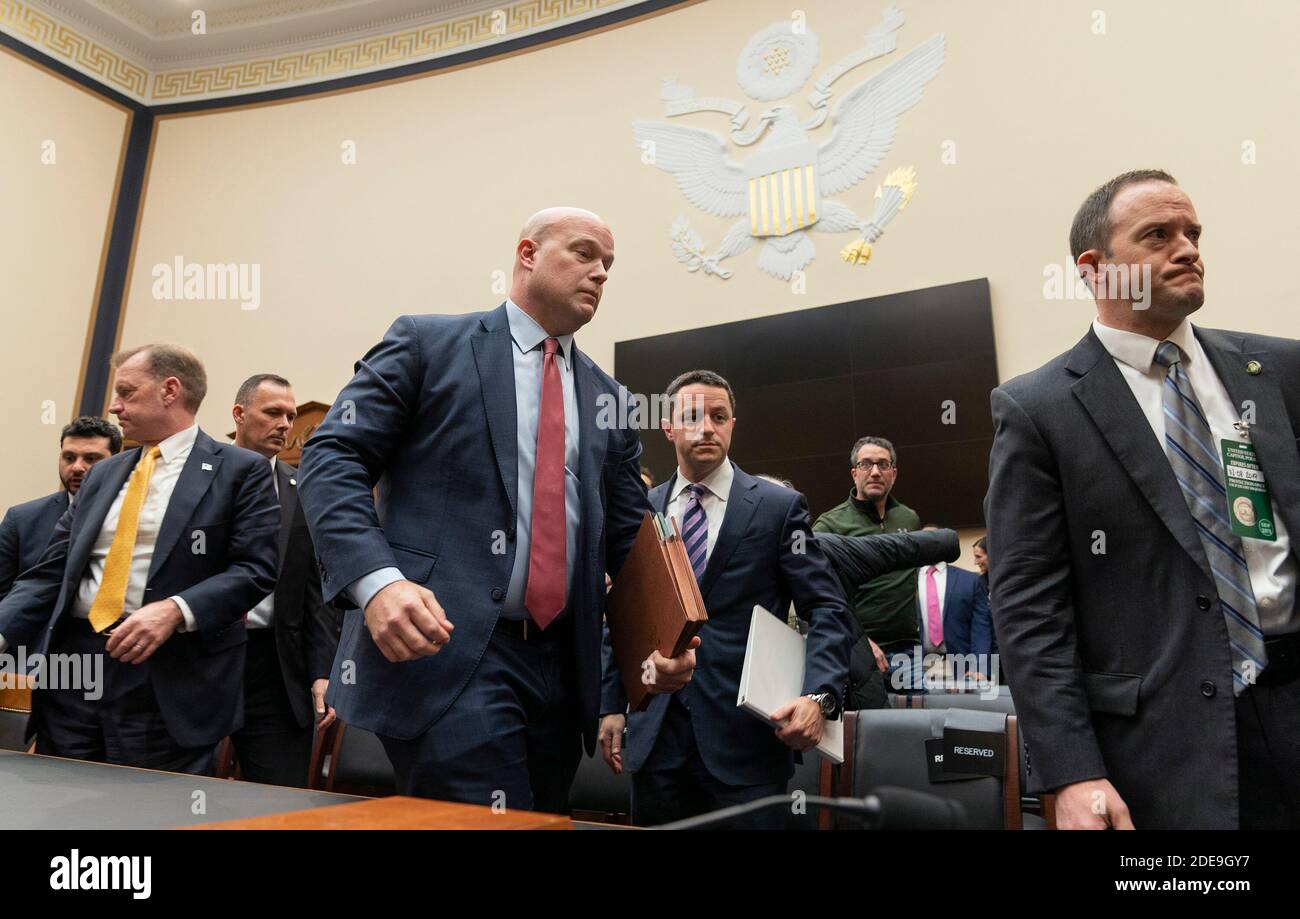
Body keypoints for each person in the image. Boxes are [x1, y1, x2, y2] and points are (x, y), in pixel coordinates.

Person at [297, 207, 698, 812]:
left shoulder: (608, 398)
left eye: (609, 265)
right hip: (448, 651)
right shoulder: (426, 343)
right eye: (585, 253)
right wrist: (376, 584)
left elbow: (627, 538)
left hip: (563, 669)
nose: (601, 273)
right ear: (527, 253)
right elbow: (332, 458)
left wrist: (661, 639)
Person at [986, 169, 1300, 829]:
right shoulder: (1038, 409)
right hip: (1167, 747)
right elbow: (1030, 610)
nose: (1187, 247)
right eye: (1158, 234)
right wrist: (1072, 771)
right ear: (1096, 269)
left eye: (1193, 232)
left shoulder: (1280, 370)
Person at [0, 344, 279, 773]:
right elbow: (50, 573)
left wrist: (174, 610)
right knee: (56, 805)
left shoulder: (241, 471)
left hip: (165, 677)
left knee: (144, 814)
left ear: (170, 390)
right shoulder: (104, 474)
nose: (114, 406)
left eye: (126, 392)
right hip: (73, 671)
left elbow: (255, 570)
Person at [597, 370, 853, 827]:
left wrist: (820, 696)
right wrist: (611, 704)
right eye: (692, 416)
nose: (707, 427)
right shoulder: (640, 512)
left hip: (747, 744)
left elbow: (828, 609)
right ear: (669, 427)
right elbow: (622, 617)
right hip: (656, 743)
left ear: (733, 423)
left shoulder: (778, 508)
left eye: (719, 416)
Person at [228, 373, 341, 786]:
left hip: (274, 666)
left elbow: (317, 592)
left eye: (290, 416)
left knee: (277, 796)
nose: (284, 425)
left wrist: (321, 671)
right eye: (272, 412)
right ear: (239, 414)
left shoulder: (301, 491)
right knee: (175, 789)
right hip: (201, 658)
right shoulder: (202, 479)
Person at [814, 437, 922, 696]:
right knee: (860, 731)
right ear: (854, 473)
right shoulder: (829, 526)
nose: (875, 472)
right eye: (866, 464)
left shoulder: (910, 518)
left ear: (893, 474)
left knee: (917, 730)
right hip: (856, 650)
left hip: (909, 651)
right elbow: (820, 595)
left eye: (883, 464)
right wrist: (860, 641)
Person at [0, 417, 121, 601]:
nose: (77, 467)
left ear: (117, 461)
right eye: (69, 457)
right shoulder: (22, 519)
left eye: (91, 459)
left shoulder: (130, 514)